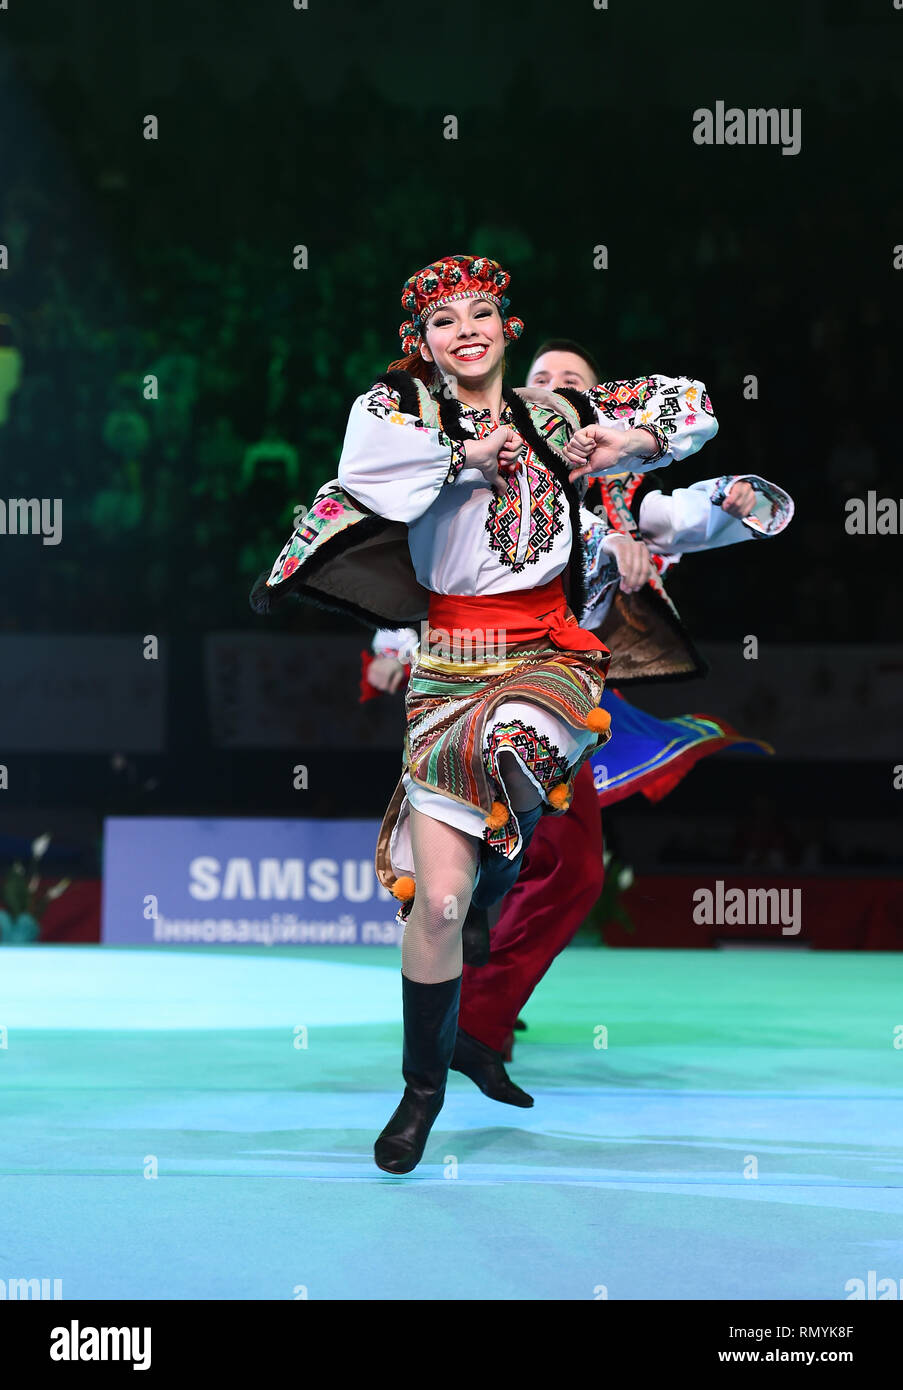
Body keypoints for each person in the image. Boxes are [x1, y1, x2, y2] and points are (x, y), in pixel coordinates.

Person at [251, 255, 718, 1173]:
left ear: (508, 329)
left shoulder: (562, 414)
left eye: (480, 314)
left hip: (545, 654)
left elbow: (690, 402)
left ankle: (505, 840)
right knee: (436, 906)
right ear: (418, 343)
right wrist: (464, 458)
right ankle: (422, 1088)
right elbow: (366, 472)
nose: (463, 329)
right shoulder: (400, 412)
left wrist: (634, 445)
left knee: (520, 742)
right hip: (445, 668)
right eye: (442, 321)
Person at [363, 336, 793, 1108]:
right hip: (464, 679)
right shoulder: (476, 457)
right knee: (491, 860)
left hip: (561, 698)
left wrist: (725, 500)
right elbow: (407, 550)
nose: (552, 390)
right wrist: (391, 649)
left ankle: (477, 1018)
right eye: (539, 379)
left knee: (576, 872)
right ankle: (466, 957)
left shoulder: (629, 503)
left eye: (572, 384)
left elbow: (697, 504)